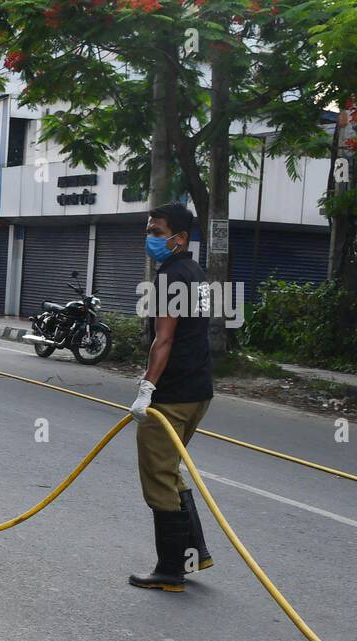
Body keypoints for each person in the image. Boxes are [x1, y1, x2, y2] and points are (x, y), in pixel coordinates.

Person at [127, 202, 215, 592]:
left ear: (179, 238)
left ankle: (169, 570)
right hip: (199, 391)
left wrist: (147, 388)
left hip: (173, 394)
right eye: (148, 230)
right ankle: (194, 552)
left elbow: (165, 340)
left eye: (157, 232)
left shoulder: (169, 279)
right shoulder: (196, 272)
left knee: (159, 476)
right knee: (172, 470)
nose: (150, 238)